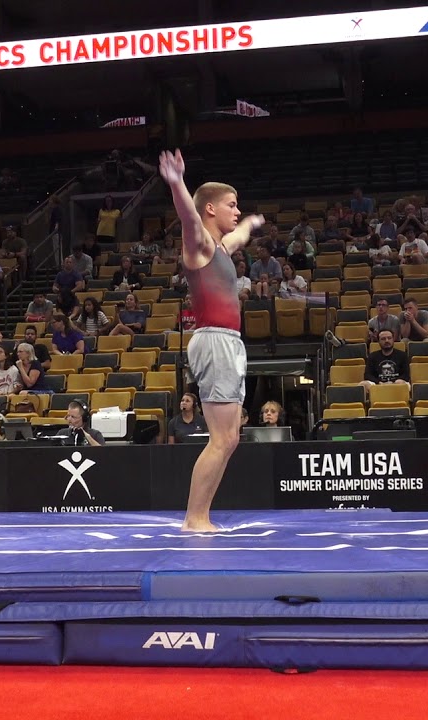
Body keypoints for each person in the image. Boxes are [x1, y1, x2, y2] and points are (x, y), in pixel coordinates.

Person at [159, 148, 265, 532]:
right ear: (210, 210)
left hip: (229, 342)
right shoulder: (200, 246)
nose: (237, 211)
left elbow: (239, 234)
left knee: (231, 438)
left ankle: (201, 515)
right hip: (214, 340)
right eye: (232, 205)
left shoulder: (222, 247)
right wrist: (176, 183)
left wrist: (251, 222)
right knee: (221, 439)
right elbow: (187, 216)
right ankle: (194, 519)